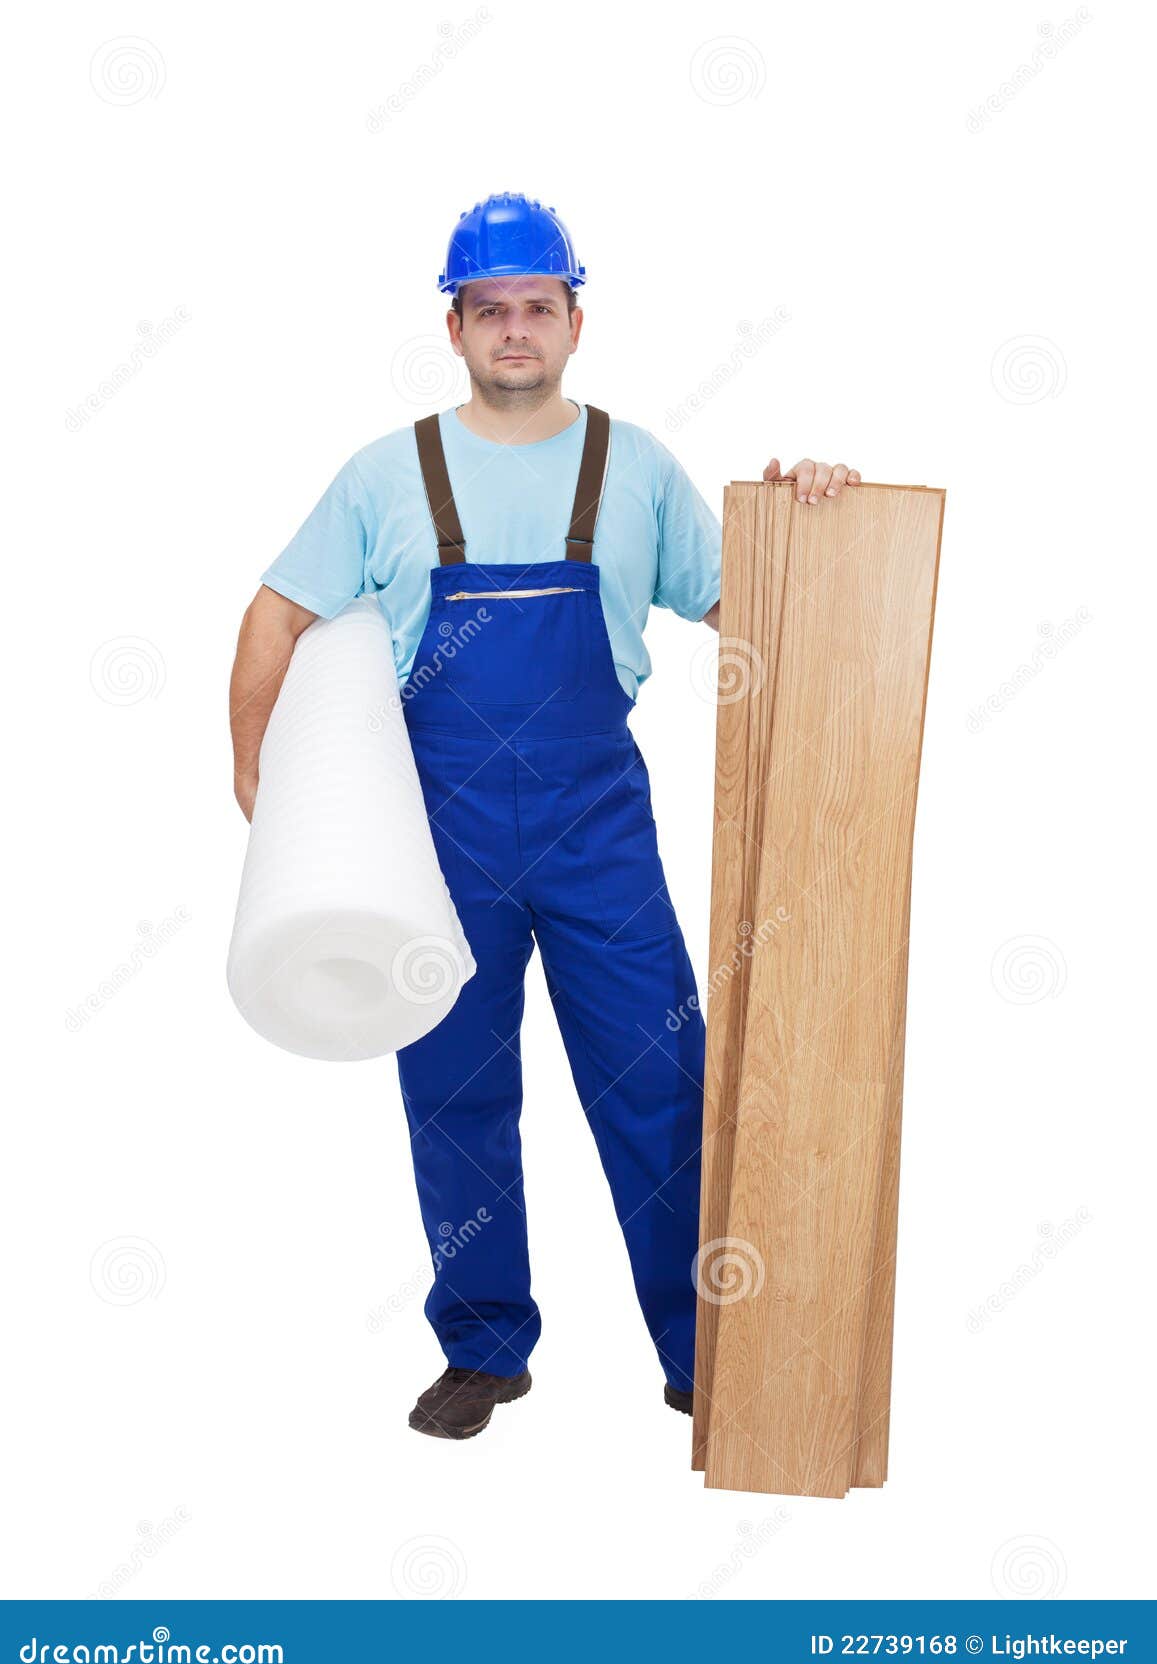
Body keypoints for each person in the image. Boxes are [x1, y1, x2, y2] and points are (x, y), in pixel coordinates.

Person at [229, 191, 861, 1441]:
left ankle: (703, 1352)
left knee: (660, 1080)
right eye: (489, 310)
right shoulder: (384, 474)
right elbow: (273, 617)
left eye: (536, 307)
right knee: (454, 1087)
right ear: (453, 326)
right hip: (437, 833)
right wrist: (265, 791)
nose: (514, 329)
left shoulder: (637, 468)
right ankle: (482, 1347)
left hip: (596, 829)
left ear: (574, 318)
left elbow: (756, 606)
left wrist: (808, 508)